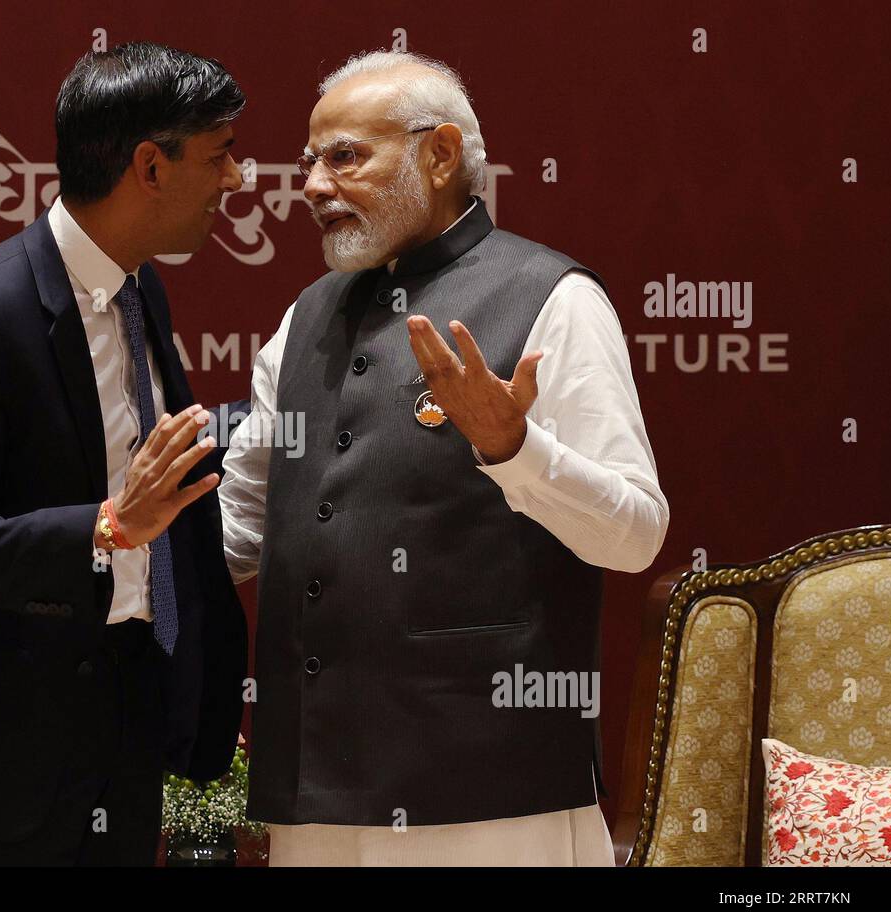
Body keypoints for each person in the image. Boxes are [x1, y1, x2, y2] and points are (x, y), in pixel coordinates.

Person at [219, 50, 669, 865]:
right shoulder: (303, 319)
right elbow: (241, 533)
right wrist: (112, 539)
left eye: (345, 156)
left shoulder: (555, 298)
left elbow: (635, 536)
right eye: (310, 162)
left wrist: (514, 447)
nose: (314, 186)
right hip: (312, 791)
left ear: (439, 155)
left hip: (488, 792)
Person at [0, 41, 249, 865]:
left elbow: (129, 448)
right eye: (220, 156)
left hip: (126, 719)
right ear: (150, 166)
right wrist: (111, 523)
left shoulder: (143, 284)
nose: (239, 181)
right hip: (9, 751)